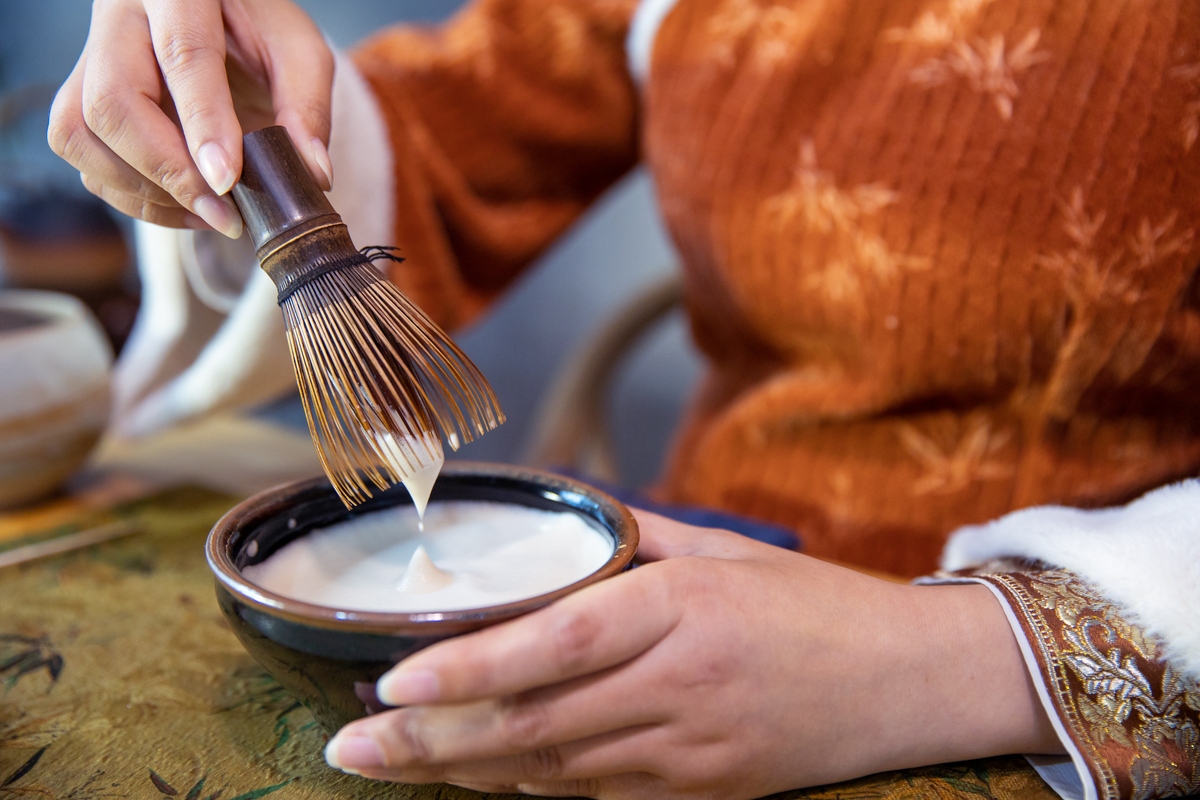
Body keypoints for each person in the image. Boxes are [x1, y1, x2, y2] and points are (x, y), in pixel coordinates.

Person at [48, 0, 1200, 797]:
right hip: (698, 579)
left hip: (1058, 695)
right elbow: (460, 131)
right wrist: (230, 112)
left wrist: (968, 654)